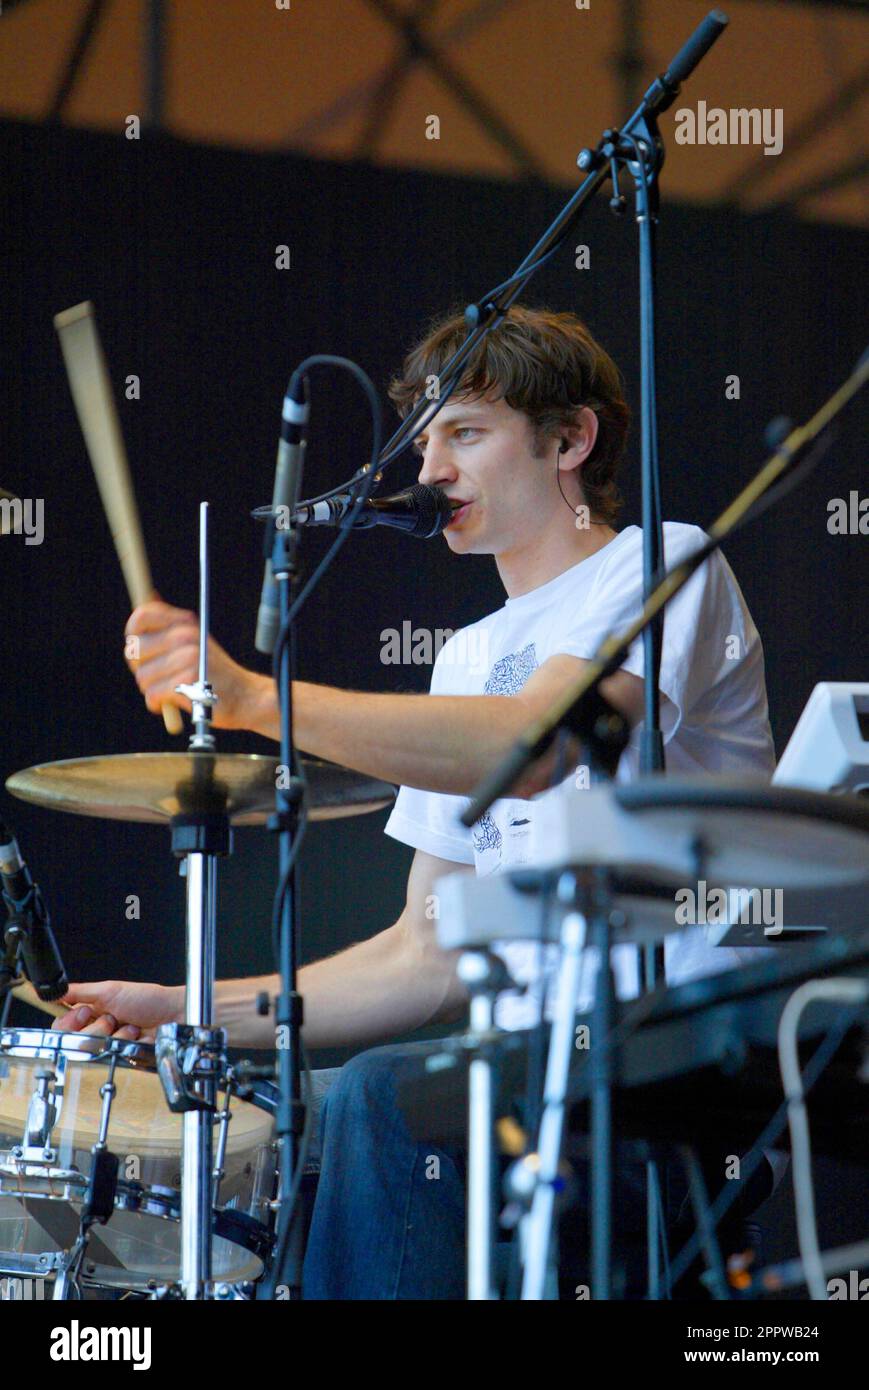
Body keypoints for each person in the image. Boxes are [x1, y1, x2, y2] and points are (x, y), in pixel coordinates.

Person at [56, 305, 776, 1297]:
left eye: (464, 432)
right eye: (423, 437)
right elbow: (421, 956)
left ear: (569, 438)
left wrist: (260, 699)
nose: (430, 468)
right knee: (287, 1117)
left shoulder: (661, 563)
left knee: (380, 1096)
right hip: (529, 1079)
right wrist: (184, 1012)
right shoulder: (464, 655)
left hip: (672, 1068)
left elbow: (535, 744)